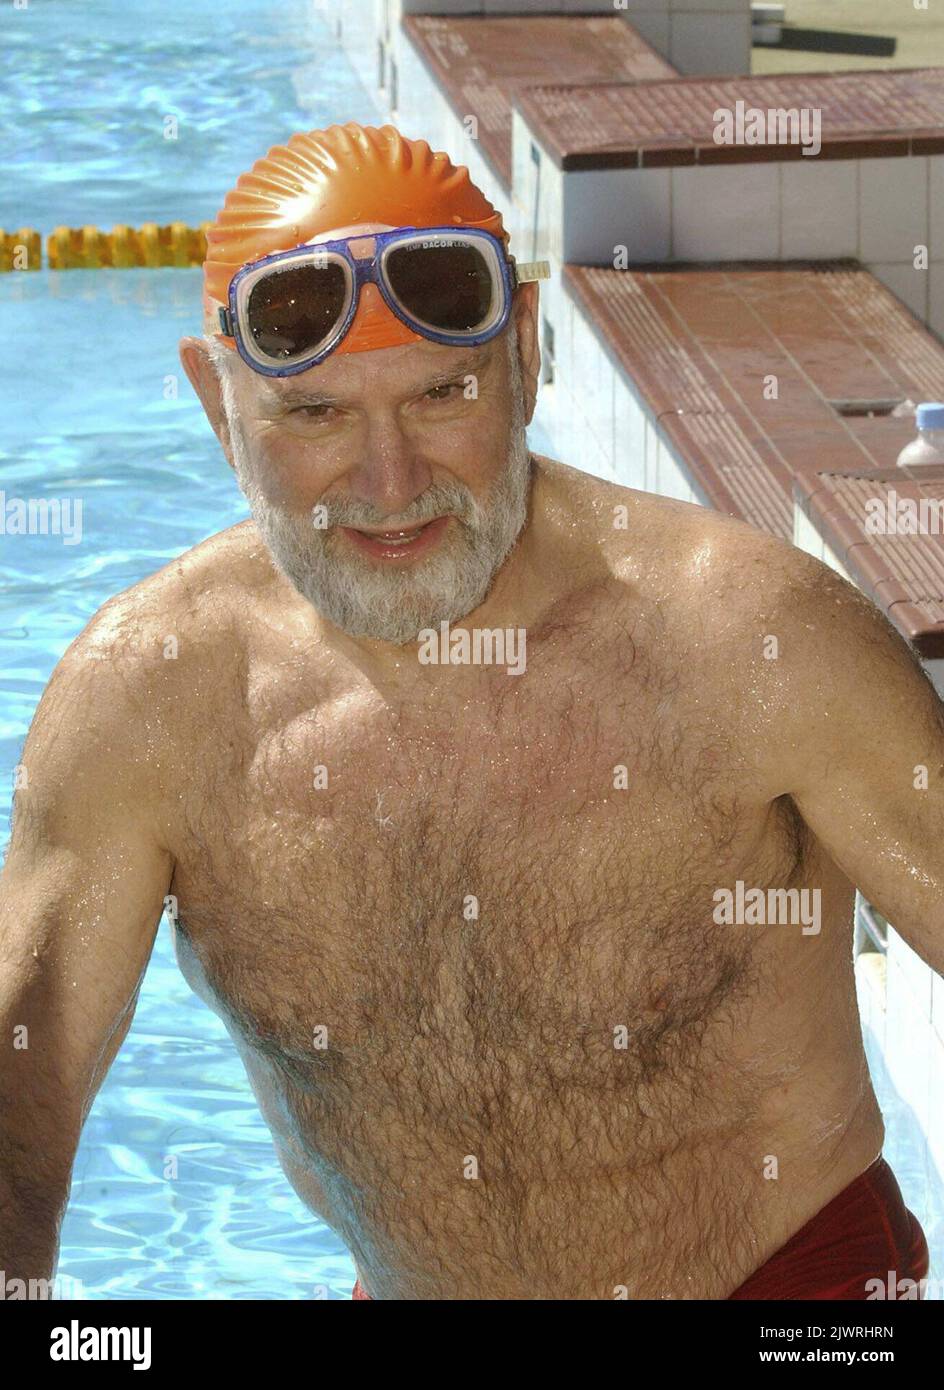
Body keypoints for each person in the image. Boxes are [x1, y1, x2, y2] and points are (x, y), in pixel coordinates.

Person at [1, 122, 940, 1301]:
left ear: (529, 353)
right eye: (315, 415)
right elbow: (19, 1102)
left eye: (443, 393)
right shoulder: (147, 704)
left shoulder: (750, 642)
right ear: (213, 400)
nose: (389, 486)